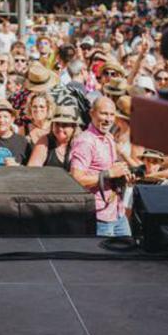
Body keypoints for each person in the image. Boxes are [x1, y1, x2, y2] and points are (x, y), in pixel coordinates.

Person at [69, 97, 132, 237]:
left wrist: (122, 173)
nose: (108, 119)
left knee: (127, 257)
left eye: (111, 114)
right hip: (99, 216)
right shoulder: (85, 141)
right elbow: (75, 180)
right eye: (103, 113)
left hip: (117, 212)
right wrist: (110, 173)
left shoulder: (109, 137)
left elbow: (109, 169)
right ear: (92, 113)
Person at [29, 105, 82, 170]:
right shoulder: (44, 142)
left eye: (65, 125)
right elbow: (32, 170)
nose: (60, 128)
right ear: (52, 125)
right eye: (57, 124)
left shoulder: (80, 144)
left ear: (74, 127)